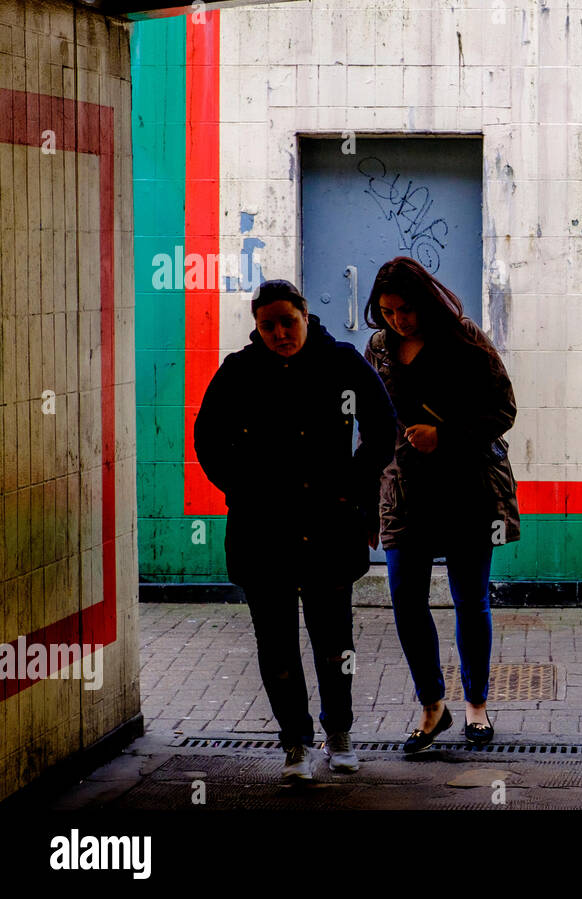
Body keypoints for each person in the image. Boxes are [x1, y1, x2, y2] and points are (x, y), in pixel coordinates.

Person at [194, 279, 396, 780]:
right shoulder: (239, 373)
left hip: (328, 528)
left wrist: (352, 485)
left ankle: (340, 733)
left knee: (334, 642)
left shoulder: (343, 364)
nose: (280, 333)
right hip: (262, 532)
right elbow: (207, 438)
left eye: (288, 321)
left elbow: (383, 427)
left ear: (306, 314)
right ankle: (295, 744)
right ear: (257, 326)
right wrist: (241, 487)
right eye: (268, 325)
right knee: (276, 643)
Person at [362, 256, 520, 752]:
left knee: (469, 600)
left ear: (425, 302)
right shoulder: (379, 349)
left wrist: (444, 436)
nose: (398, 320)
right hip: (403, 492)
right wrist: (368, 500)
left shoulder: (464, 339)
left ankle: (476, 704)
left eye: (406, 309)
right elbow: (372, 428)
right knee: (406, 601)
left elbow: (504, 409)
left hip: (466, 488)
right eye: (387, 311)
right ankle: (433, 706)